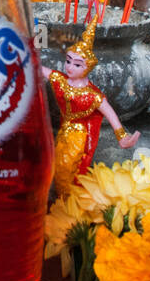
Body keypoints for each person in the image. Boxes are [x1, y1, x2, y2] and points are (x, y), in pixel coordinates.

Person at [42, 25, 140, 196]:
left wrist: (122, 137)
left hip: (79, 138)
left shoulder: (93, 96)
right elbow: (39, 68)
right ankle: (62, 201)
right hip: (63, 133)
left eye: (77, 64)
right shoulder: (61, 80)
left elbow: (110, 113)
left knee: (68, 168)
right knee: (57, 167)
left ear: (88, 67)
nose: (70, 67)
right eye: (68, 61)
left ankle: (69, 203)